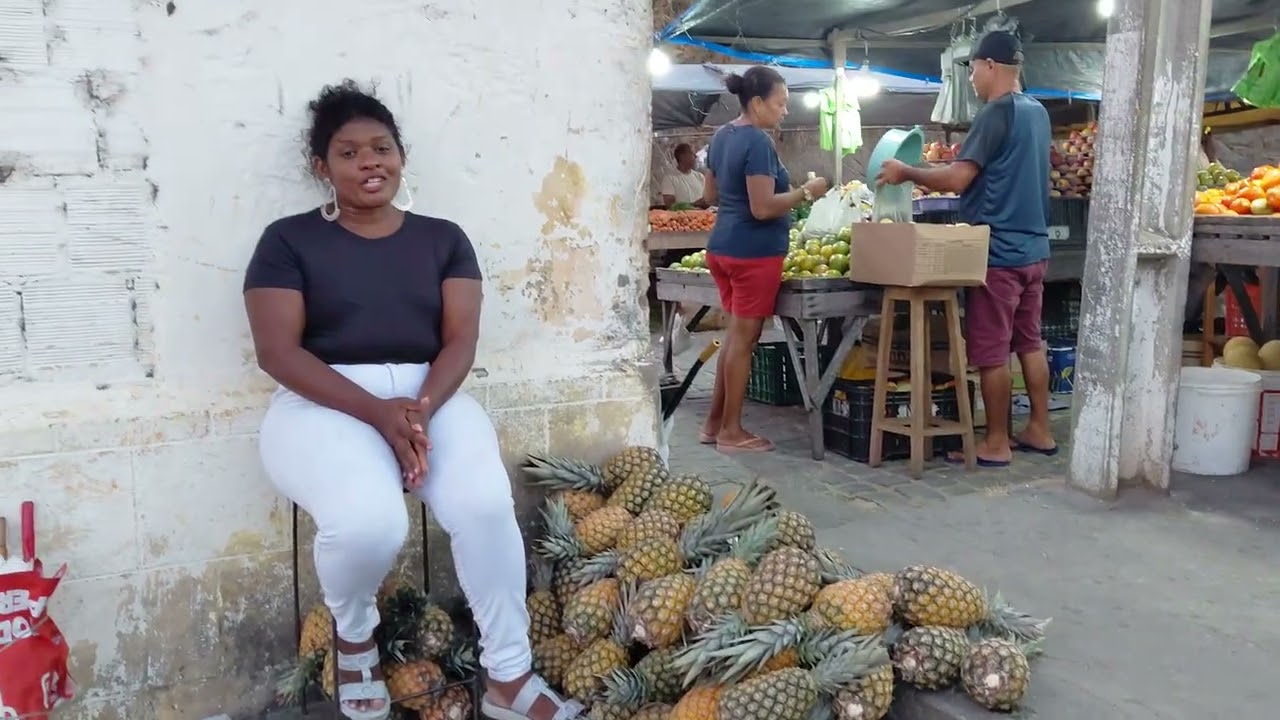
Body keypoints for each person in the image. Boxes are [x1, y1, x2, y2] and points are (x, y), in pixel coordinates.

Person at [242, 80, 581, 720]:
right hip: (323, 402)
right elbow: (278, 354)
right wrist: (380, 413)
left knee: (483, 505)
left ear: (400, 156)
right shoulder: (287, 242)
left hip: (433, 393)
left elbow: (460, 340)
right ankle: (354, 633)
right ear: (322, 167)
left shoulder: (442, 238)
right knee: (372, 523)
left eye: (382, 148)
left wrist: (418, 409)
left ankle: (508, 677)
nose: (370, 162)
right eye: (348, 153)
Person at [876, 31, 1056, 467]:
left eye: (973, 68)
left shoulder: (996, 114)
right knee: (1030, 343)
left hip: (999, 251)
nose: (972, 78)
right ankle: (1041, 429)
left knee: (991, 350)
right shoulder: (1038, 112)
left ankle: (996, 441)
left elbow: (958, 180)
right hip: (1035, 248)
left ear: (991, 66)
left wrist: (906, 172)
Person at [699, 66, 830, 454]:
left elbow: (710, 195)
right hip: (752, 254)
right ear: (757, 103)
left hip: (722, 246)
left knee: (734, 341)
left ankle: (713, 424)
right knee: (744, 341)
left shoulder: (722, 135)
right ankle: (731, 431)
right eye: (780, 103)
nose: (785, 111)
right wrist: (806, 192)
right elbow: (762, 207)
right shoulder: (756, 142)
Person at [659, 143, 707, 207]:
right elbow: (669, 205)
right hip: (681, 216)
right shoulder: (669, 178)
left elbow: (707, 199)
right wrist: (692, 205)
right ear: (682, 157)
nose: (695, 156)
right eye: (692, 153)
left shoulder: (700, 177)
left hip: (704, 216)